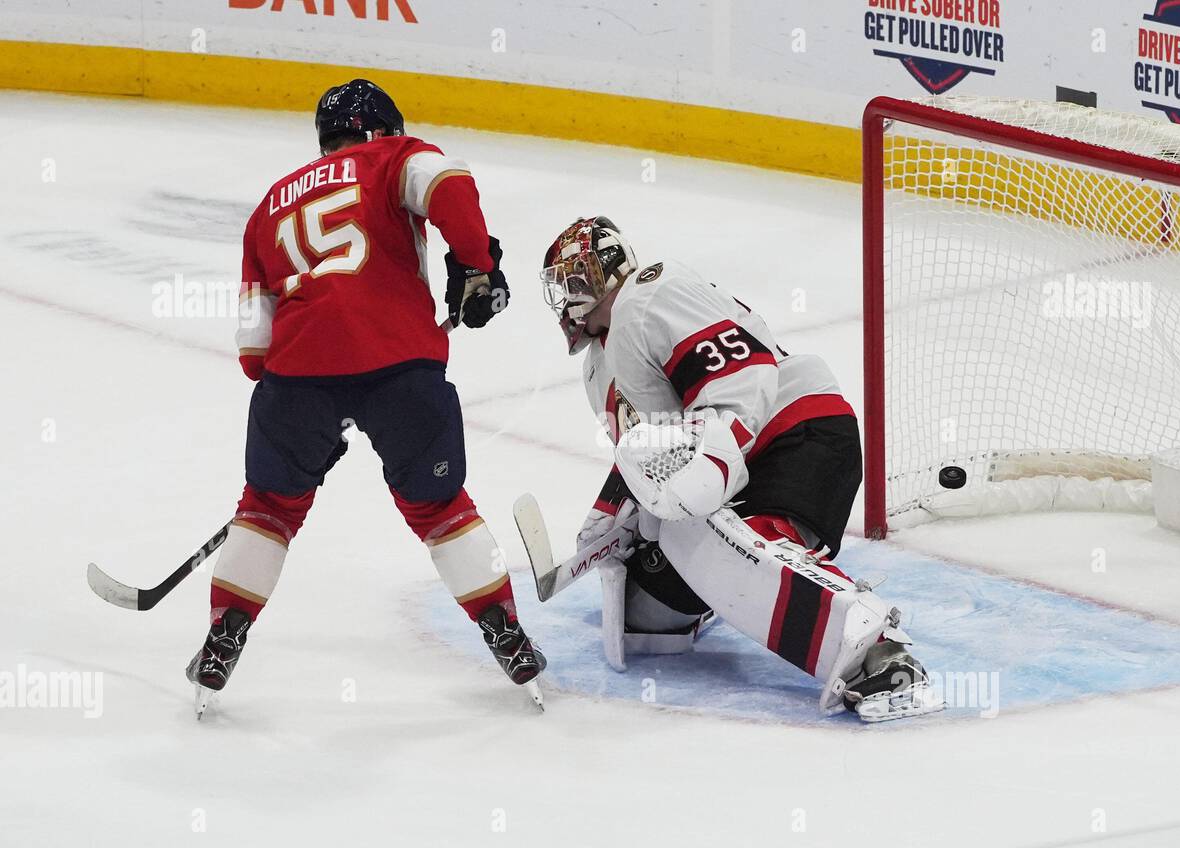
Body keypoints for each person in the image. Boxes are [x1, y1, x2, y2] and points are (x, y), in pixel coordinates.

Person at [186, 79, 543, 716]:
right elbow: (451, 186)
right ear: (382, 129)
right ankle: (505, 634)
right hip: (400, 367)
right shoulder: (392, 157)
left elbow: (252, 355)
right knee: (439, 508)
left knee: (268, 506)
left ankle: (221, 640)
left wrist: (313, 414)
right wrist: (477, 263)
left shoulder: (268, 206)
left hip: (294, 381)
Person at [539, 216, 942, 721]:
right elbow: (652, 449)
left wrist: (711, 461)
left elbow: (746, 374)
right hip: (744, 468)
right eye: (564, 283)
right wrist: (613, 510)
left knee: (711, 545)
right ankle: (725, 584)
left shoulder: (646, 297)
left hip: (799, 433)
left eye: (578, 277)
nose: (570, 293)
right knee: (646, 615)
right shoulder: (598, 367)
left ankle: (881, 651)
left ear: (611, 266)